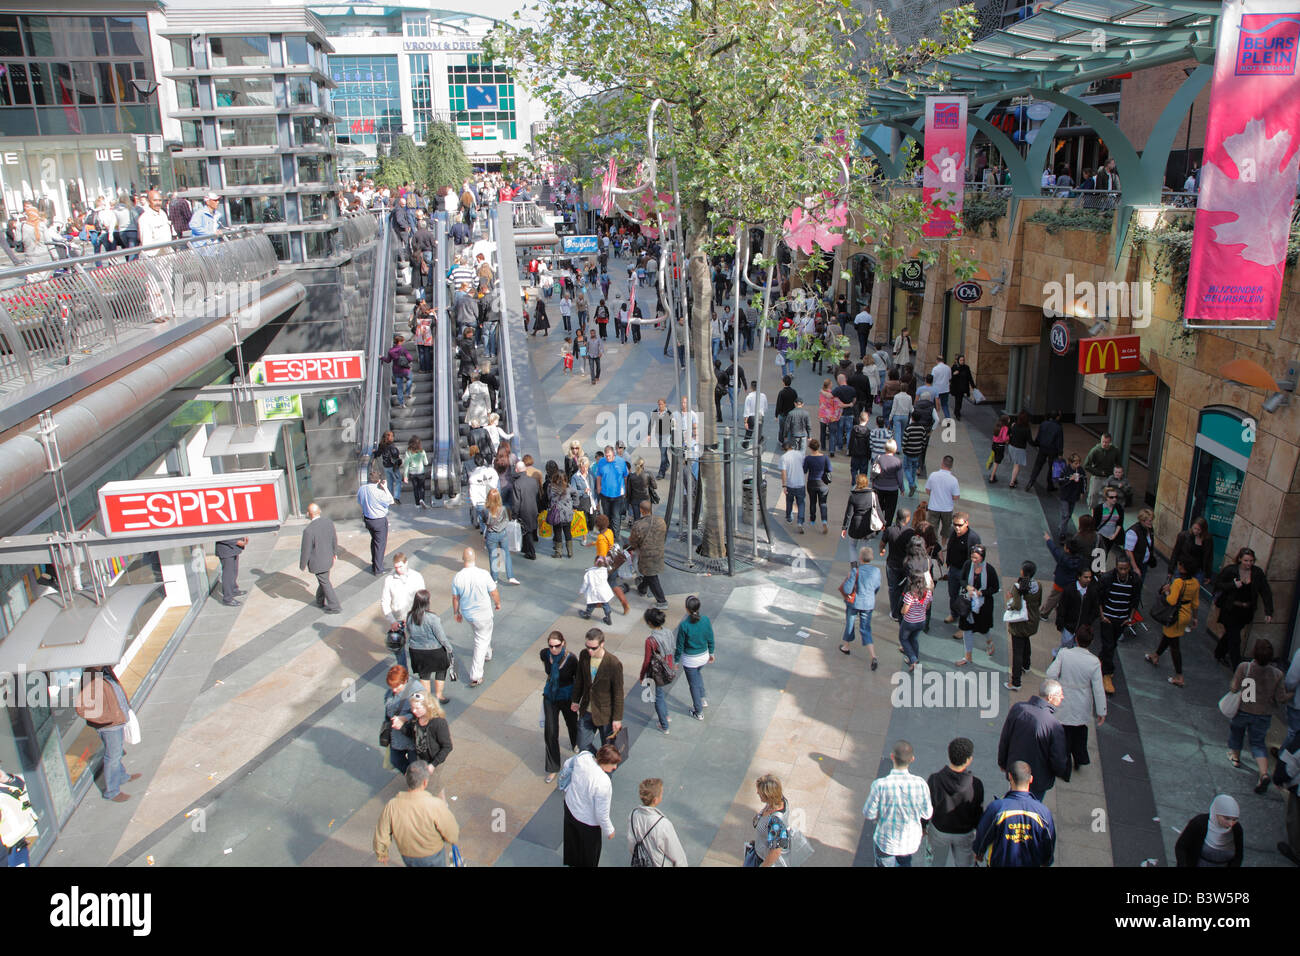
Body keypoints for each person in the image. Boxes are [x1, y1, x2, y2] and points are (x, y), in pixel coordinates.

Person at [1227, 641, 1291, 794]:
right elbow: (1281, 698)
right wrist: (1293, 694)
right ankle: (1263, 773)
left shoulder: (1244, 667)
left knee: (1237, 732)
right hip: (1263, 714)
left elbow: (1234, 687)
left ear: (1253, 653)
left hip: (1243, 709)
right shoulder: (1277, 674)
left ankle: (1235, 757)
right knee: (1258, 744)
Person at [373, 761, 460, 867]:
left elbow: (382, 832)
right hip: (432, 853)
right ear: (425, 782)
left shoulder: (393, 805)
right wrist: (452, 839)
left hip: (408, 854)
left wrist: (382, 853)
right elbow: (451, 830)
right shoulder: (435, 804)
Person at [863, 740, 933, 867]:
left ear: (892, 757)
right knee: (906, 863)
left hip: (886, 843)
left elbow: (868, 813)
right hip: (910, 842)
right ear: (912, 759)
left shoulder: (880, 785)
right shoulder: (921, 784)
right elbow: (927, 813)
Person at [997, 679, 1070, 801]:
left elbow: (1005, 738)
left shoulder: (1017, 709)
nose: (1062, 697)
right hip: (1038, 780)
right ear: (1050, 697)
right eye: (1060, 694)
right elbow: (1057, 759)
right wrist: (1058, 771)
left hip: (1015, 771)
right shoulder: (1053, 725)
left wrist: (1002, 762)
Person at [973, 762, 1056, 867]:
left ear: (1010, 777)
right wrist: (1046, 862)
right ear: (1031, 779)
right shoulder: (1043, 813)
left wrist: (979, 853)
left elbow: (983, 835)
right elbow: (1048, 843)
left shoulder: (997, 808)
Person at [75, 667, 139, 802]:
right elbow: (82, 708)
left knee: (117, 752)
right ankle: (112, 792)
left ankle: (122, 777)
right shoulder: (90, 676)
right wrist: (106, 718)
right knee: (113, 756)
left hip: (117, 720)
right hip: (110, 725)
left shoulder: (105, 670)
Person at [1046, 628, 1106, 770]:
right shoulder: (1094, 662)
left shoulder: (1064, 654)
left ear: (1076, 639)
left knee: (1064, 733)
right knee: (1079, 733)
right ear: (1091, 642)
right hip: (1082, 702)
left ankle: (1063, 764)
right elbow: (1098, 688)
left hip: (1064, 699)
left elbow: (1050, 674)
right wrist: (1101, 711)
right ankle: (1079, 758)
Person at [925, 737, 984, 867]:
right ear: (968, 760)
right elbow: (978, 812)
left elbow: (928, 806)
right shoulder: (976, 784)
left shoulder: (935, 779)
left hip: (939, 830)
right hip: (965, 833)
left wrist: (923, 825)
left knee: (936, 863)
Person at [1212, 548, 1275, 669]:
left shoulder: (1257, 573)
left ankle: (1218, 653)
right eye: (1246, 560)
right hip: (1230, 609)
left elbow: (1265, 591)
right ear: (1240, 559)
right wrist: (1233, 585)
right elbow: (1218, 584)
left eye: (1251, 561)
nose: (1249, 563)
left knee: (1231, 634)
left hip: (1245, 611)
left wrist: (1269, 611)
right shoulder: (1231, 570)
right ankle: (1237, 666)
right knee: (1235, 638)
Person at [451, 548, 502, 687]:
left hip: (469, 615)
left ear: (463, 559)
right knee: (481, 641)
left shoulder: (458, 577)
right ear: (475, 559)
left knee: (481, 635)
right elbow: (494, 591)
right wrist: (497, 603)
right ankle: (476, 675)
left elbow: (456, 597)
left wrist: (456, 612)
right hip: (484, 614)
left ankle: (488, 652)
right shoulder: (483, 574)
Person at [1145, 558, 1200, 687]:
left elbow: (1171, 601)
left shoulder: (1178, 582)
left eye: (1180, 564)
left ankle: (1179, 676)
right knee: (1168, 637)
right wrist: (1195, 618)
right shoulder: (1195, 583)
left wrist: (1168, 591)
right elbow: (1195, 603)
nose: (1178, 565)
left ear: (1183, 568)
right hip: (1185, 614)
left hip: (1175, 615)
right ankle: (1156, 655)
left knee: (1174, 646)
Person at [571, 628, 625, 753]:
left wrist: (617, 718)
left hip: (605, 715)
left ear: (602, 644)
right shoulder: (584, 655)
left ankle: (604, 769)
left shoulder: (613, 663)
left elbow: (618, 693)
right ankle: (597, 763)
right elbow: (580, 680)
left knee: (608, 751)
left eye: (593, 648)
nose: (589, 651)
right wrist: (575, 700)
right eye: (587, 647)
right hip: (587, 710)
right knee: (583, 745)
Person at [541, 631, 580, 782]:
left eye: (557, 646)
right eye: (551, 646)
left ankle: (576, 742)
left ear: (563, 643)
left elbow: (577, 679)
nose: (554, 649)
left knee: (572, 723)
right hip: (550, 695)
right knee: (550, 731)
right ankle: (552, 768)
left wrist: (576, 700)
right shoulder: (545, 654)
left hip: (567, 695)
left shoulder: (571, 659)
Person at [953, 544, 999, 666]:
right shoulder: (968, 565)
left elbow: (995, 588)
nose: (973, 560)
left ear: (982, 557)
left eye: (976, 558)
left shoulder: (989, 570)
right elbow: (962, 579)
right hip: (968, 603)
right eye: (972, 557)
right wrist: (967, 586)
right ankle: (968, 656)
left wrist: (982, 592)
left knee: (983, 629)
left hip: (983, 605)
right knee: (967, 629)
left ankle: (989, 641)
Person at [405, 589, 453, 702]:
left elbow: (409, 631)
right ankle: (439, 695)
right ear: (427, 602)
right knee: (441, 671)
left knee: (424, 675)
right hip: (434, 650)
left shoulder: (410, 616)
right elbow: (441, 636)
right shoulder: (432, 618)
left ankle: (427, 698)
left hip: (416, 651)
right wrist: (449, 648)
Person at [628, 778, 688, 866]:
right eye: (661, 794)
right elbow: (676, 854)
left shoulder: (633, 815)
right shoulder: (663, 824)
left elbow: (631, 842)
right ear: (655, 800)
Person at [839, 547, 881, 668]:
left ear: (860, 558)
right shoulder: (876, 571)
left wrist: (848, 578)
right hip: (868, 603)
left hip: (855, 603)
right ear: (871, 558)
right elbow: (877, 586)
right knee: (865, 628)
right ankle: (873, 656)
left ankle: (846, 646)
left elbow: (847, 589)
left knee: (850, 623)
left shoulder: (855, 571)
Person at [675, 595, 715, 721]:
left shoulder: (684, 625)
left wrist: (676, 660)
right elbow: (710, 637)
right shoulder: (706, 620)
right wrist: (712, 653)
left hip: (690, 660)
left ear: (686, 609)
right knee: (698, 675)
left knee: (693, 685)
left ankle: (698, 712)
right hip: (704, 656)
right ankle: (702, 699)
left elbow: (679, 645)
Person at [1004, 561, 1042, 692]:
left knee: (1017, 651)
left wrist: (1009, 599)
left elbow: (1016, 605)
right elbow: (1039, 602)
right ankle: (1027, 665)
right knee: (1026, 641)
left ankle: (1016, 681)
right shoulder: (1038, 585)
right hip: (1032, 620)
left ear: (1023, 572)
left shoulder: (1018, 587)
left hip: (1020, 623)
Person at [1174, 795, 1243, 867]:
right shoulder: (1199, 824)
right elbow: (1181, 847)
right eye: (1226, 818)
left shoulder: (1236, 829)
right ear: (1216, 813)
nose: (1230, 823)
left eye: (1234, 819)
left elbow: (1238, 856)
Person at [639, 607, 676, 735]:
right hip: (669, 667)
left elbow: (647, 660)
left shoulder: (650, 640)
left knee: (657, 697)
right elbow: (673, 648)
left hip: (657, 672)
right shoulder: (669, 632)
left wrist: (642, 675)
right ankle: (666, 716)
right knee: (661, 695)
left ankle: (664, 725)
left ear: (650, 623)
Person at [381, 553, 426, 652]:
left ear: (406, 563)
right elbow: (385, 602)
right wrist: (392, 621)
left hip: (414, 618)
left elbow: (422, 600)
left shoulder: (416, 577)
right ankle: (402, 667)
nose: (398, 570)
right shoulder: (389, 580)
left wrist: (414, 615)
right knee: (398, 649)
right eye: (396, 567)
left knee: (418, 647)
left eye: (400, 566)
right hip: (398, 620)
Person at [627, 499, 669, 607]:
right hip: (659, 552)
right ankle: (642, 589)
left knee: (652, 577)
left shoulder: (638, 525)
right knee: (649, 574)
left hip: (646, 556)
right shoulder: (661, 521)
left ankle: (662, 601)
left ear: (641, 510)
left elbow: (633, 542)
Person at [747, 774, 794, 867]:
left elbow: (776, 851)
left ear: (768, 795)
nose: (757, 793)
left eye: (759, 792)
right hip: (759, 851)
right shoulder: (779, 801)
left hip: (763, 860)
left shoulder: (776, 821)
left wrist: (764, 865)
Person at [1054, 567, 1099, 658]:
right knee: (1065, 648)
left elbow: (1095, 609)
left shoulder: (1092, 592)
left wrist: (1088, 622)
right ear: (1079, 577)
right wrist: (1060, 623)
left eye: (1090, 577)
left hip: (1081, 629)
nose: (1088, 580)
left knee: (1076, 652)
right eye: (1085, 577)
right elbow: (1062, 607)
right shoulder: (1069, 590)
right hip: (1068, 627)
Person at [359, 468, 394, 576]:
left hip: (368, 519)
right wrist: (385, 488)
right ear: (378, 481)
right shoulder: (379, 492)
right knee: (380, 544)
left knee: (374, 541)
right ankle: (378, 569)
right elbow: (391, 500)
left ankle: (375, 562)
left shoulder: (362, 489)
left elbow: (359, 501)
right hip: (379, 520)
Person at [384, 665, 416, 774]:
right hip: (396, 736)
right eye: (392, 686)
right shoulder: (389, 693)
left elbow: (424, 712)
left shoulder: (416, 690)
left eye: (397, 686)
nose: (394, 690)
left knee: (415, 766)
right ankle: (410, 777)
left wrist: (404, 718)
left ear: (405, 680)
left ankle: (416, 782)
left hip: (412, 736)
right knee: (396, 760)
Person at [593, 444, 630, 540]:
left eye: (609, 455)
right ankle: (608, 536)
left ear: (613, 453)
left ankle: (616, 537)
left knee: (616, 517)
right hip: (605, 494)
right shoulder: (601, 462)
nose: (607, 457)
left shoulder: (621, 462)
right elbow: (598, 475)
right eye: (606, 456)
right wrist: (598, 487)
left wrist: (625, 490)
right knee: (607, 516)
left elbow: (625, 477)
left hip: (617, 495)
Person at [923, 455, 960, 543]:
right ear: (951, 466)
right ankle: (943, 545)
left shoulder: (933, 475)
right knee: (946, 530)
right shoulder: (954, 480)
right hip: (947, 509)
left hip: (933, 507)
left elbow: (927, 490)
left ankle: (933, 545)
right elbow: (956, 496)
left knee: (932, 528)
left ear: (942, 463)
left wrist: (934, 495)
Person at [1025, 410, 1064, 493]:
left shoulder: (1043, 424)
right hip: (1053, 450)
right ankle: (1050, 485)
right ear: (1057, 417)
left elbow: (1039, 436)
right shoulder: (1058, 427)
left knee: (1038, 465)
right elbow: (1060, 441)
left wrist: (1037, 443)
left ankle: (1031, 481)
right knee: (1051, 467)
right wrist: (1060, 453)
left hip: (1042, 448)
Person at [899, 576, 932, 672]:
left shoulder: (910, 595)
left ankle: (913, 660)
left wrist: (901, 610)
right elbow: (927, 607)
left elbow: (904, 611)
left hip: (909, 622)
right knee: (914, 639)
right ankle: (914, 661)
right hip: (921, 621)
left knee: (903, 639)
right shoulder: (928, 593)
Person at [511, 461, 541, 561]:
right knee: (531, 529)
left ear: (516, 470)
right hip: (533, 508)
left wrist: (514, 515)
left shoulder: (517, 483)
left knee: (527, 531)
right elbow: (537, 494)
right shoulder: (533, 481)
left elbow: (516, 502)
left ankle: (531, 553)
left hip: (524, 510)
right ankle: (525, 548)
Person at [1082, 433, 1120, 509]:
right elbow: (1086, 465)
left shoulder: (1115, 450)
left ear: (1110, 442)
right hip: (1098, 477)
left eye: (1106, 442)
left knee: (1107, 496)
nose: (1104, 444)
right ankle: (1093, 511)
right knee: (1094, 495)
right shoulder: (1095, 450)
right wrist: (1098, 472)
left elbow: (1118, 463)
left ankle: (1105, 512)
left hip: (1109, 476)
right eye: (1103, 441)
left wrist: (1117, 474)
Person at [872, 439, 903, 528]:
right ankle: (887, 527)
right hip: (892, 489)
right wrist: (902, 488)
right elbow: (900, 477)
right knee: (890, 509)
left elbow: (874, 472)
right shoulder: (897, 461)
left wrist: (873, 482)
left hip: (879, 487)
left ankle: (877, 527)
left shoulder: (879, 458)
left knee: (878, 507)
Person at [1092, 486, 1125, 568]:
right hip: (1101, 535)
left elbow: (1120, 523)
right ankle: (1098, 570)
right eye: (1111, 497)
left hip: (1111, 536)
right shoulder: (1099, 508)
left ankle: (1099, 570)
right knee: (1100, 554)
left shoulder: (1118, 508)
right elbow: (1095, 523)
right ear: (1106, 498)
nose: (1114, 499)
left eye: (1116, 497)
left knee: (1105, 553)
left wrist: (1114, 535)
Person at [1056, 453, 1086, 539]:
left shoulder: (1080, 471)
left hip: (1074, 495)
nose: (1078, 465)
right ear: (1070, 463)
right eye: (1075, 463)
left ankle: (1062, 526)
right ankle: (1062, 533)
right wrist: (1069, 479)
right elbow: (1060, 481)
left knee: (1069, 515)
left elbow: (1084, 481)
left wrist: (1082, 492)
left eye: (1079, 463)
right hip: (1065, 495)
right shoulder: (1065, 470)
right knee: (1066, 514)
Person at [1123, 508, 1159, 581]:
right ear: (1142, 520)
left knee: (1140, 583)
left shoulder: (1149, 529)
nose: (1151, 522)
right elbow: (1129, 552)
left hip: (1144, 562)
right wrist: (1135, 568)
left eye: (1152, 520)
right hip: (1136, 564)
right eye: (1149, 521)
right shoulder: (1133, 532)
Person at [579, 555, 616, 625]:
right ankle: (608, 618)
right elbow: (608, 568)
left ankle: (587, 614)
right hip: (603, 591)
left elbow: (585, 583)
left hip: (594, 591)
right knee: (605, 603)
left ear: (595, 562)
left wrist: (582, 590)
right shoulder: (605, 571)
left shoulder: (590, 572)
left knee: (591, 603)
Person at [780, 440, 807, 532]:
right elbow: (804, 465)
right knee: (801, 503)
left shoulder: (783, 457)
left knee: (789, 501)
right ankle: (800, 521)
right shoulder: (799, 454)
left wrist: (784, 485)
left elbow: (783, 472)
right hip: (800, 483)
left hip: (790, 484)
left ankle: (789, 517)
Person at [214, 537, 248, 607]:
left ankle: (233, 589)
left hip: (233, 549)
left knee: (234, 571)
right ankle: (228, 599)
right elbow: (220, 536)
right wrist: (236, 542)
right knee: (228, 575)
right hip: (226, 550)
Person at [900, 411, 927, 497]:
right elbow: (924, 441)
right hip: (917, 452)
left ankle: (912, 484)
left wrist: (903, 449)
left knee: (906, 468)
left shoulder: (908, 428)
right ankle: (912, 484)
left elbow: (904, 441)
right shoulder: (922, 428)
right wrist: (920, 449)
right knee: (914, 469)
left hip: (908, 452)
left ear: (912, 418)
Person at [383, 335, 415, 408]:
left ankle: (401, 403)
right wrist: (407, 361)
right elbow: (410, 358)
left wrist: (382, 358)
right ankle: (408, 392)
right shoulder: (403, 349)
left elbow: (388, 360)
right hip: (405, 369)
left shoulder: (391, 351)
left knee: (399, 387)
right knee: (409, 379)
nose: (403, 342)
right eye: (403, 340)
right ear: (400, 342)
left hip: (396, 371)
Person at [1005, 411, 1032, 488]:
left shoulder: (1014, 425)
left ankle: (1014, 478)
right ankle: (1012, 482)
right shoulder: (1027, 429)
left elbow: (1009, 433)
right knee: (1016, 465)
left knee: (1014, 464)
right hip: (1019, 449)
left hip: (1011, 447)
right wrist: (1037, 443)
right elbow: (1030, 441)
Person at [403, 437, 430, 510]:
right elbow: (426, 463)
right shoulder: (422, 452)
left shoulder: (408, 452)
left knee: (415, 488)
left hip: (412, 473)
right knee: (422, 487)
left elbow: (406, 465)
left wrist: (405, 476)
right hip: (420, 472)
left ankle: (417, 504)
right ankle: (422, 499)